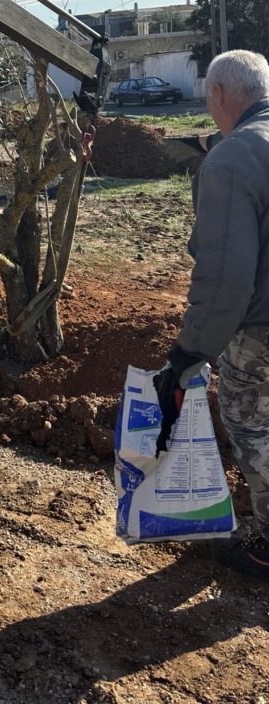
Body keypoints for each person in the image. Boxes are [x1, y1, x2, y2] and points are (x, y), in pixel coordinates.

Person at [155, 50, 269, 577]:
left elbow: (225, 277)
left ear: (220, 94)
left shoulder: (233, 158)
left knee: (252, 426)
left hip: (261, 330)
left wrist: (190, 352)